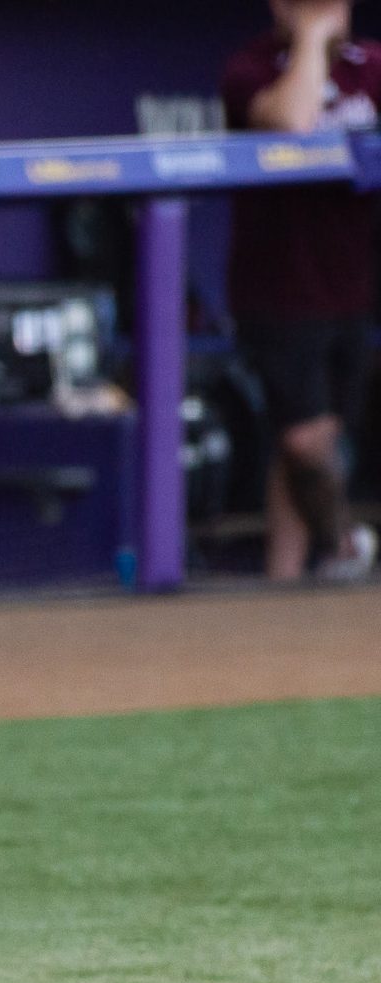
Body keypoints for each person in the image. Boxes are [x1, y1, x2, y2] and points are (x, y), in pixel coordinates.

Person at [223, 0, 381, 581]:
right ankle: (343, 545)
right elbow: (292, 122)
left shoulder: (373, 66)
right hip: (279, 287)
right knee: (303, 440)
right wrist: (312, 40)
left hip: (352, 283)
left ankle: (283, 578)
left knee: (320, 439)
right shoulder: (250, 67)